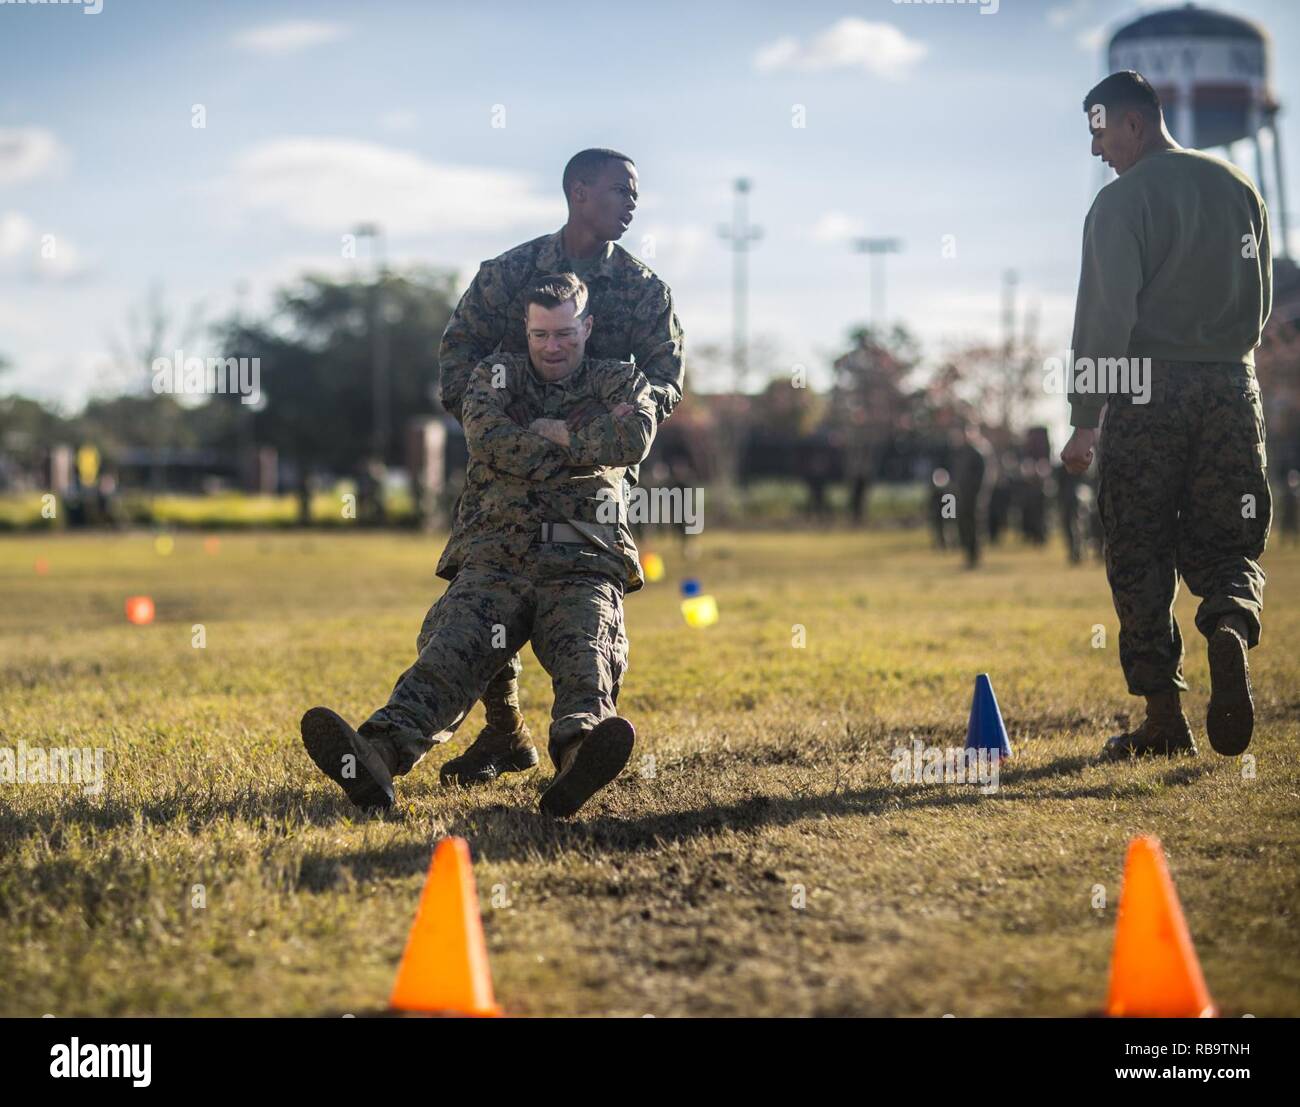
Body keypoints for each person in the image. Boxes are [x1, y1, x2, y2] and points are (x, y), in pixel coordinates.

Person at [301, 275, 656, 817]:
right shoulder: (497, 374)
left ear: (587, 327)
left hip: (582, 554)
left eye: (563, 333)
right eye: (540, 334)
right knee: (453, 650)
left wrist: (549, 432)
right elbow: (487, 438)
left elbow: (632, 438)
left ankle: (580, 753)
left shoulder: (620, 380)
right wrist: (581, 445)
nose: (552, 346)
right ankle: (378, 753)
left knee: (586, 650)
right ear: (525, 329)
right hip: (497, 553)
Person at [437, 147, 685, 785]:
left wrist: (597, 431)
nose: (632, 204)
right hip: (505, 479)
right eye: (620, 191)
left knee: (579, 602)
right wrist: (496, 419)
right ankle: (503, 731)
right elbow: (458, 354)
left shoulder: (642, 289)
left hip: (589, 484)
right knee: (483, 595)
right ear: (579, 191)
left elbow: (663, 381)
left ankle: (579, 737)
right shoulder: (509, 274)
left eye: (633, 194)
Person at [1060, 71, 1272, 761]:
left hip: (1145, 389)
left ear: (1132, 124)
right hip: (1231, 387)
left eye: (1100, 135)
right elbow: (1261, 306)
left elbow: (1105, 319)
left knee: (1141, 545)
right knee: (1230, 539)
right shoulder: (1242, 189)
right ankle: (1230, 626)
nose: (1097, 154)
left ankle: (1164, 719)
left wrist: (1085, 418)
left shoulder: (1120, 204)